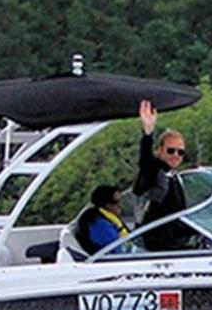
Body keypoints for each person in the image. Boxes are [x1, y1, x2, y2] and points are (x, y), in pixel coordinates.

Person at [133, 98, 194, 251]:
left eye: (180, 152)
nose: (176, 155)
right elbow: (145, 161)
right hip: (158, 248)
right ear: (160, 150)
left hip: (174, 242)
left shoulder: (173, 177)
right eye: (170, 150)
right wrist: (148, 133)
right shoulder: (154, 171)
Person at [75, 184, 132, 255]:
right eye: (116, 202)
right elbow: (115, 249)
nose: (120, 205)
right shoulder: (99, 224)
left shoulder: (108, 217)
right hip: (111, 261)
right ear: (106, 204)